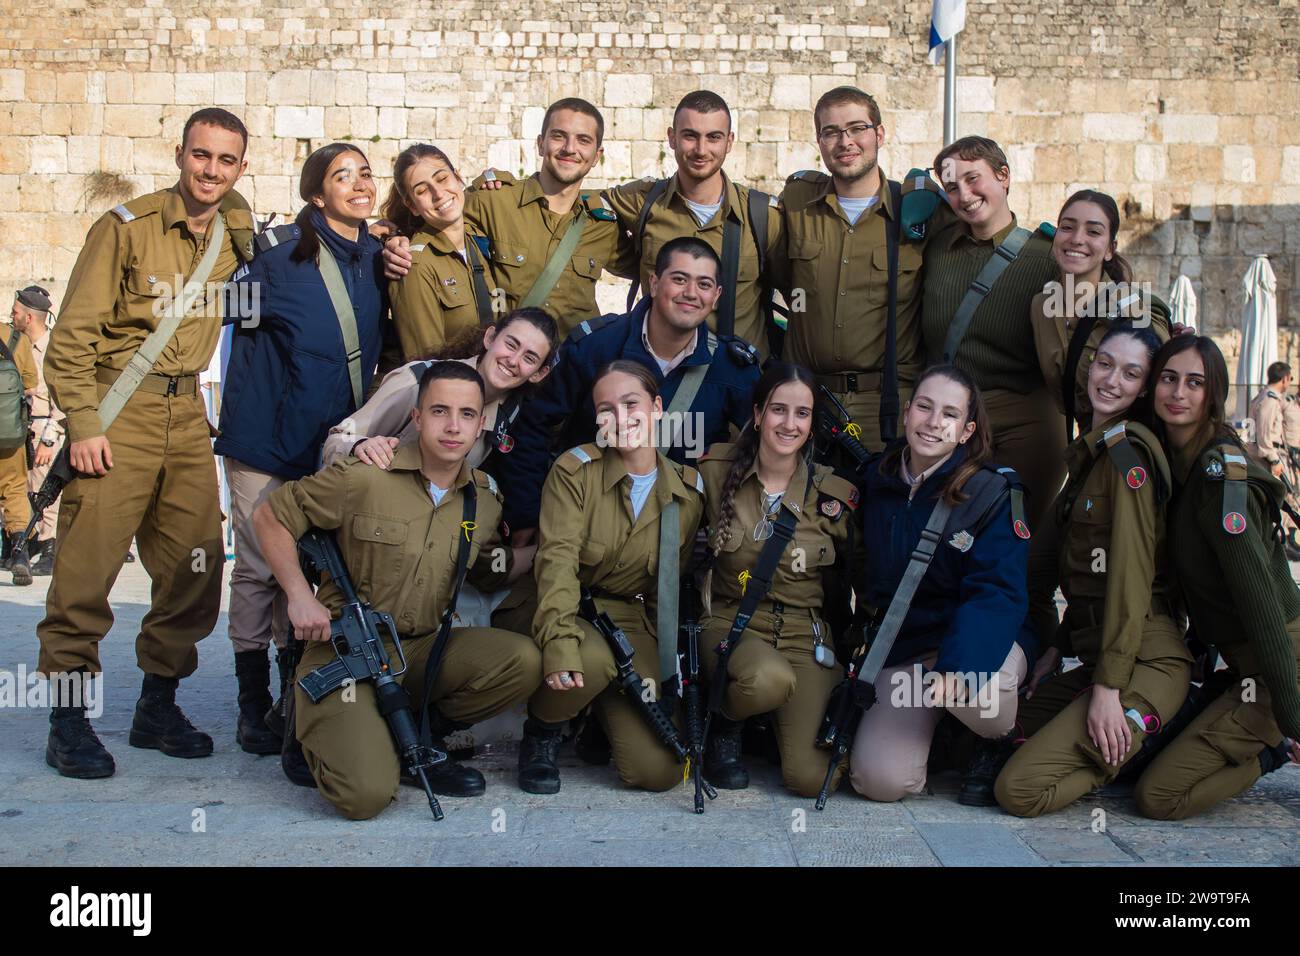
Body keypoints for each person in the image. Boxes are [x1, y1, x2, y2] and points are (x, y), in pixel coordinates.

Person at [39, 107, 256, 779]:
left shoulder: (236, 227)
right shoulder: (125, 230)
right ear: (180, 154)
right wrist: (84, 424)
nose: (211, 170)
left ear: (240, 167)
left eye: (225, 160)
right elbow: (71, 336)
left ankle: (156, 704)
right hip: (119, 408)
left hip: (187, 412)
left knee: (197, 564)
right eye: (201, 156)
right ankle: (67, 722)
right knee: (85, 572)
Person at [252, 361, 540, 820]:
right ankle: (320, 728)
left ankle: (416, 740)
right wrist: (299, 597)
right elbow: (271, 516)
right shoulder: (364, 476)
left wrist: (551, 550)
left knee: (521, 660)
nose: (453, 426)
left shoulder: (483, 498)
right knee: (364, 798)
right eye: (440, 411)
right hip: (346, 650)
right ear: (417, 417)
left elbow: (487, 567)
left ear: (480, 423)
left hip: (422, 650)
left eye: (467, 414)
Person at [215, 142, 388, 756]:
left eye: (365, 173)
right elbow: (218, 315)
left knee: (313, 568)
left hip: (329, 446)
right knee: (262, 569)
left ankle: (293, 695)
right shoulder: (277, 261)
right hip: (267, 442)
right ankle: (250, 701)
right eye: (343, 176)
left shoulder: (378, 258)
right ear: (317, 194)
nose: (359, 184)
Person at [996, 324, 1193, 817]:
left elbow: (1127, 582)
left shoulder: (1128, 461)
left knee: (1019, 790)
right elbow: (1090, 578)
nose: (1110, 380)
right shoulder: (1095, 452)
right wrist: (1058, 648)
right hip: (1100, 657)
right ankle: (1135, 735)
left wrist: (1107, 688)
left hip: (1143, 663)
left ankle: (1162, 730)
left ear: (1145, 388)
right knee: (998, 732)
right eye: (1104, 364)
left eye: (1130, 374)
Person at [510, 360, 705, 794]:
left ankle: (598, 717)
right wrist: (559, 642)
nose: (619, 418)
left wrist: (661, 661)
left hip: (631, 619)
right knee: (594, 657)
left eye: (631, 403)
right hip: (568, 606)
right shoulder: (574, 470)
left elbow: (667, 589)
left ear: (656, 407)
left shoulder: (687, 493)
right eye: (605, 408)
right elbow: (557, 563)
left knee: (658, 773)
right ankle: (543, 732)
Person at [1131, 336, 1300, 819]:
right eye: (1168, 378)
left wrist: (1293, 720)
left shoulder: (1218, 478)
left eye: (1195, 383)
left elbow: (1262, 608)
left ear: (1213, 395)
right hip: (1248, 670)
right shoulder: (1179, 463)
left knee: (1159, 796)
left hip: (1282, 665)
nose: (1178, 392)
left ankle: (1269, 754)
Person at [849, 364, 1031, 806]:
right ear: (907, 412)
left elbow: (998, 591)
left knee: (985, 697)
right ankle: (944, 732)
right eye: (925, 407)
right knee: (881, 781)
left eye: (949, 414)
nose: (933, 422)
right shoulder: (875, 479)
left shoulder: (992, 494)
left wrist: (957, 664)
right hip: (907, 648)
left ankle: (993, 740)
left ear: (967, 430)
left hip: (977, 640)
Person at [498, 236, 760, 541]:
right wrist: (528, 519)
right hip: (588, 524)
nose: (691, 293)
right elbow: (530, 427)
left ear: (716, 296)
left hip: (681, 535)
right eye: (679, 279)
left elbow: (758, 451)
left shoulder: (733, 367)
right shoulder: (595, 347)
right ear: (654, 283)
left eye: (703, 285)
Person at [696, 362, 861, 797]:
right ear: (756, 414)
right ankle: (728, 725)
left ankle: (766, 725)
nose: (789, 424)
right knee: (767, 679)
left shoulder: (832, 496)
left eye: (802, 414)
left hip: (803, 636)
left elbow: (849, 579)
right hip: (731, 627)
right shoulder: (713, 473)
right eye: (778, 410)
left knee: (810, 780)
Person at [921, 136, 1063, 531]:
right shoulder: (935, 251)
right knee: (947, 539)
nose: (964, 195)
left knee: (1015, 540)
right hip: (953, 419)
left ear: (1003, 177)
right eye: (952, 187)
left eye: (973, 178)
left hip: (1025, 423)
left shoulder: (1048, 258)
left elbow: (1101, 306)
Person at [774, 86, 927, 452]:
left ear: (880, 134)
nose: (845, 141)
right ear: (819, 141)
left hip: (887, 407)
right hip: (810, 404)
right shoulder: (795, 204)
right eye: (831, 132)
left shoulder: (918, 213)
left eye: (857, 128)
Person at [602, 90, 783, 359]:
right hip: (659, 375)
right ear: (672, 138)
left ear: (729, 141)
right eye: (690, 136)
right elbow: (581, 207)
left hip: (737, 381)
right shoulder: (642, 201)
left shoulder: (762, 215)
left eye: (713, 137)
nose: (701, 150)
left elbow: (795, 285)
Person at [322, 307, 558, 474]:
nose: (514, 360)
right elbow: (337, 439)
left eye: (529, 357)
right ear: (490, 338)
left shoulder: (509, 412)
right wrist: (359, 445)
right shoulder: (417, 383)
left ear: (539, 373)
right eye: (510, 344)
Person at [1032, 189, 1172, 443]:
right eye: (1067, 227)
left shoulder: (1134, 310)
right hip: (1086, 446)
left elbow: (1167, 388)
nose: (1077, 238)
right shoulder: (1041, 306)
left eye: (1093, 232)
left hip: (1129, 447)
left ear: (1110, 249)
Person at [381, 144, 493, 362]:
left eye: (442, 179)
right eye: (422, 191)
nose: (438, 194)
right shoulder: (414, 265)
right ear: (412, 206)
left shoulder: (479, 239)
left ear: (458, 178)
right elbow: (426, 362)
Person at [12, 286, 63, 576]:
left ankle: (49, 548)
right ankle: (27, 544)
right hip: (24, 426)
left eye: (17, 312)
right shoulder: (19, 347)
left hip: (47, 425)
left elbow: (62, 399)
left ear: (30, 317)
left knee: (46, 491)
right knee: (26, 488)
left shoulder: (53, 349)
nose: (12, 315)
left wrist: (48, 438)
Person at [0, 292, 38, 586]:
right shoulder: (15, 338)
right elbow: (30, 385)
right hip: (9, 431)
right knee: (14, 490)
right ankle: (20, 552)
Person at [1246, 361, 1291, 477]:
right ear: (1285, 379)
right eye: (1290, 379)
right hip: (1267, 460)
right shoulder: (1270, 400)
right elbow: (1263, 433)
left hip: (1260, 456)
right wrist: (1274, 460)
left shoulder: (1263, 396)